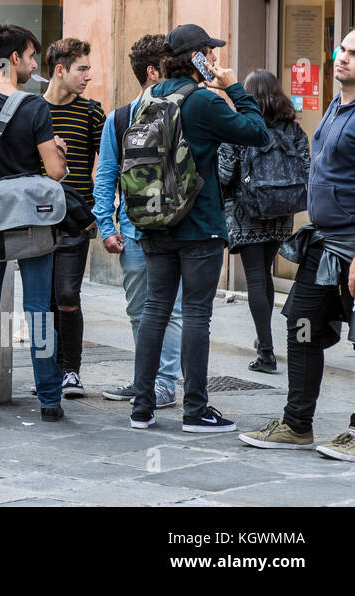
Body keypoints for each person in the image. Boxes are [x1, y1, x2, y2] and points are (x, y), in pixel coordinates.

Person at [129, 24, 268, 434]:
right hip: (198, 225)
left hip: (154, 221)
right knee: (195, 315)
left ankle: (142, 407)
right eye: (211, 53)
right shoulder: (204, 101)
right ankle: (195, 411)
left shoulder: (148, 98)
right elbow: (257, 132)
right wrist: (234, 86)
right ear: (197, 59)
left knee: (155, 310)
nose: (216, 60)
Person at [240, 30, 355, 459]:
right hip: (322, 244)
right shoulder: (335, 104)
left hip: (352, 246)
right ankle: (296, 424)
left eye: (351, 53)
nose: (341, 58)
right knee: (302, 326)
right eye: (341, 49)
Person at [0, 24, 69, 423]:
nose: (36, 64)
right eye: (32, 56)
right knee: (38, 309)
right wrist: (62, 153)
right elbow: (55, 172)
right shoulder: (35, 107)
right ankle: (50, 402)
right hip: (34, 220)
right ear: (13, 59)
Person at [96, 35, 184, 409]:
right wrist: (106, 226)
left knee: (172, 310)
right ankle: (144, 379)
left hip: (174, 229)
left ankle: (164, 382)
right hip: (133, 231)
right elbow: (106, 175)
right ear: (152, 72)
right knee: (139, 310)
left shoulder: (183, 110)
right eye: (168, 67)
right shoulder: (119, 119)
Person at [219, 69, 310, 374]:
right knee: (265, 276)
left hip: (248, 210)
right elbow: (305, 168)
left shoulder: (241, 126)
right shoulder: (293, 129)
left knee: (256, 278)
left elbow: (224, 174)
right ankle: (264, 342)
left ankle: (267, 353)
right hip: (282, 211)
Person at [42, 37, 106, 399]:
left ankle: (71, 370)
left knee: (67, 294)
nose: (88, 76)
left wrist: (101, 211)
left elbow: (107, 163)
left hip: (74, 218)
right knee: (42, 299)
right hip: (36, 218)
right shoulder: (32, 110)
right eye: (82, 69)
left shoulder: (92, 112)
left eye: (89, 69)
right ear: (61, 70)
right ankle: (47, 368)